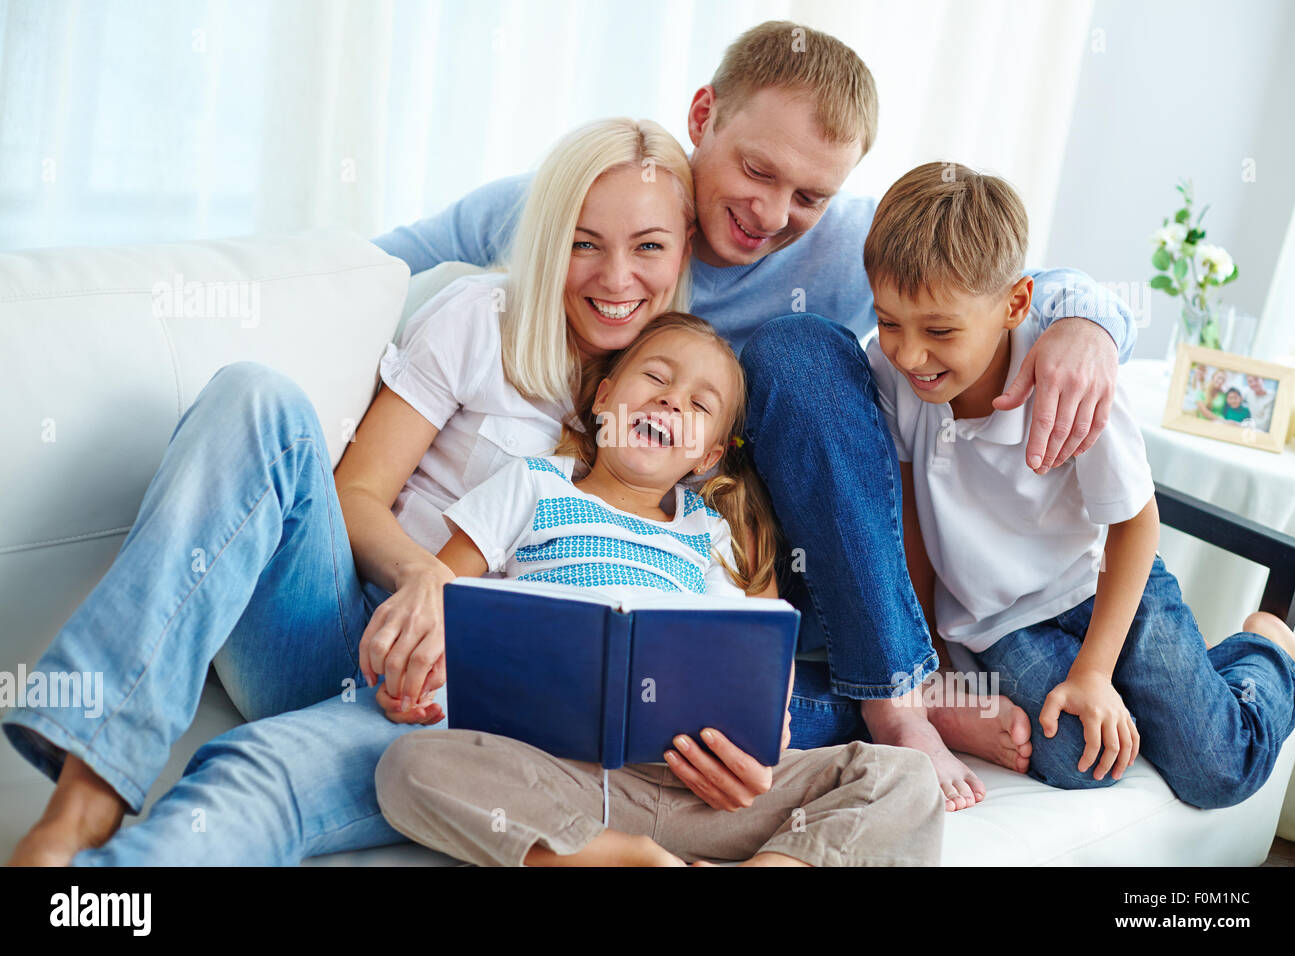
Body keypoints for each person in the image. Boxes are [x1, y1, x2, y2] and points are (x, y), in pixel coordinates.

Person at [374, 20, 1139, 812]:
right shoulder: (588, 206)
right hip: (634, 555)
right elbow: (375, 262)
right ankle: (872, 700)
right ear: (703, 115)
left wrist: (1085, 321)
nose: (773, 215)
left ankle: (898, 694)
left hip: (784, 558)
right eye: (757, 171)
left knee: (796, 352)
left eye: (810, 195)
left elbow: (995, 276)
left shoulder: (850, 247)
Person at [3, 117, 697, 866]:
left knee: (257, 779)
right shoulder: (481, 318)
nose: (616, 279)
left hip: (452, 714)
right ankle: (83, 801)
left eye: (648, 246)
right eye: (584, 242)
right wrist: (419, 572)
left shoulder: (690, 400)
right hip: (336, 630)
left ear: (683, 246)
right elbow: (357, 490)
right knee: (255, 397)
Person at [374, 312, 944, 866]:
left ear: (708, 455)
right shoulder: (534, 484)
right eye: (655, 377)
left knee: (904, 778)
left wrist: (764, 739)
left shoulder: (710, 533)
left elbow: (758, 663)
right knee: (408, 767)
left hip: (699, 787)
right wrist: (414, 677)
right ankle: (627, 860)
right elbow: (441, 599)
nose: (672, 400)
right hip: (560, 777)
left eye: (699, 405)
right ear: (602, 399)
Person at [861, 161, 1295, 807]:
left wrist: (1094, 672)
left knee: (1217, 770)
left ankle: (1264, 647)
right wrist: (938, 661)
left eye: (940, 331)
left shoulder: (1068, 374)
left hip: (1102, 582)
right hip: (1005, 622)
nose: (909, 354)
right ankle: (1157, 693)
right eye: (890, 321)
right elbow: (912, 524)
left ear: (1015, 304)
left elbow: (1134, 522)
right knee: (1080, 756)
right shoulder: (888, 368)